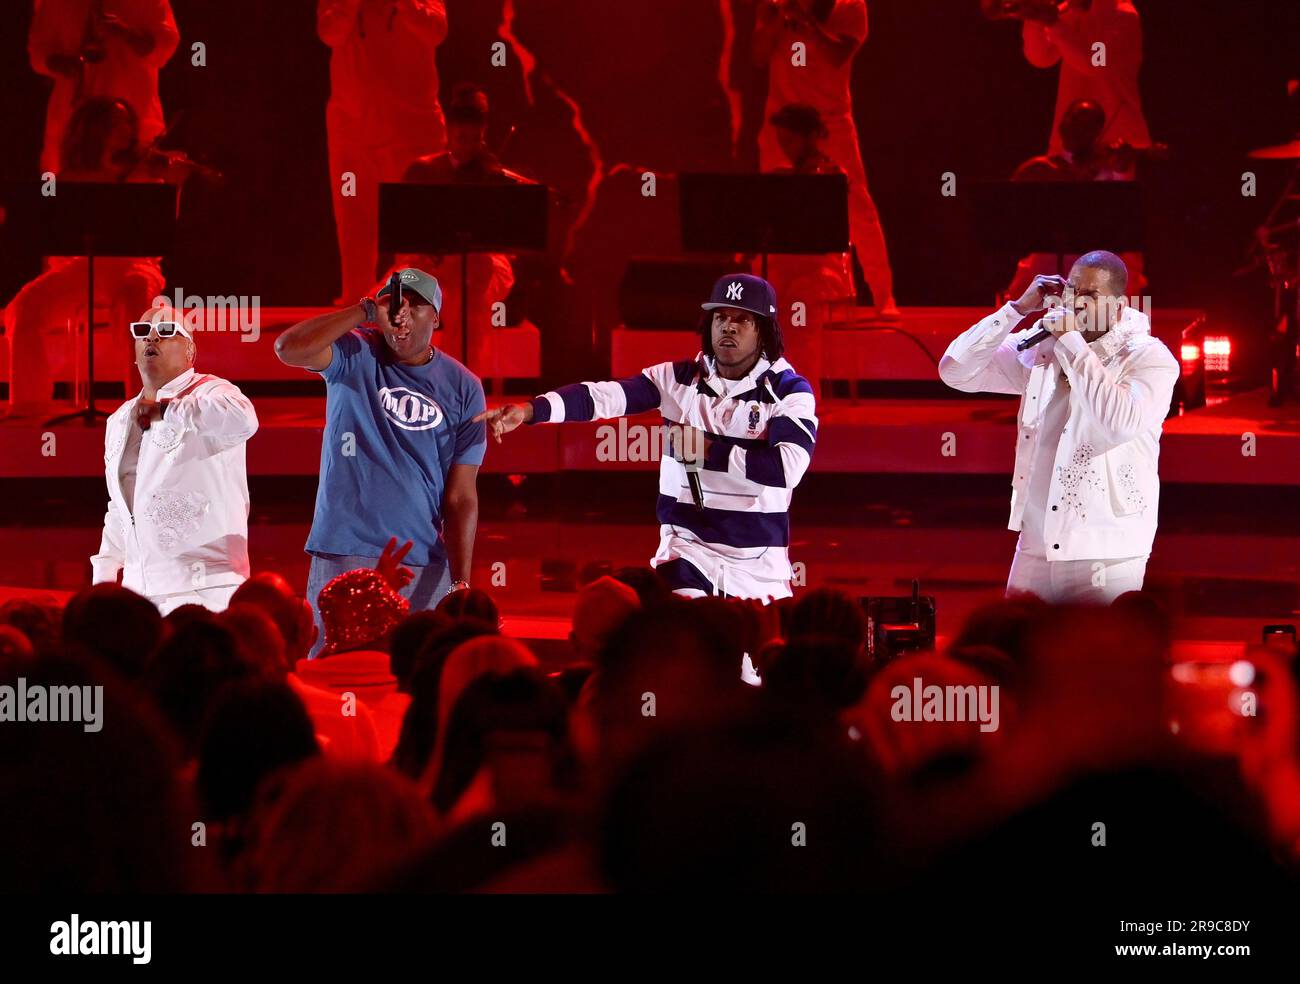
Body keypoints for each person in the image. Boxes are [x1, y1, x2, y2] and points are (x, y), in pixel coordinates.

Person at [477, 273, 816, 602]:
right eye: (720, 317)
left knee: (750, 661)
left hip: (761, 568)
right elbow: (602, 397)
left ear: (764, 331)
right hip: (687, 553)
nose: (728, 326)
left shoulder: (789, 391)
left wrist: (708, 450)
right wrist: (530, 410)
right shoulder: (676, 379)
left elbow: (788, 469)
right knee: (690, 636)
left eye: (742, 319)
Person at [938, 251, 1178, 603]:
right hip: (1037, 542)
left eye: (1090, 296)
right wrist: (1016, 310)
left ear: (1118, 304)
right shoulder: (1044, 347)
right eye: (1072, 290)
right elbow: (955, 370)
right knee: (1015, 649)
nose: (1077, 303)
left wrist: (1071, 343)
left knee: (1093, 657)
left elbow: (1118, 423)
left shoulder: (1147, 357)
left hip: (1105, 549)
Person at [274, 268, 485, 656]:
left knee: (420, 686)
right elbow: (289, 348)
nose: (401, 314)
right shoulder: (356, 351)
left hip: (422, 558)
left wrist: (460, 583)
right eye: (394, 303)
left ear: (436, 317)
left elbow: (461, 496)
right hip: (345, 549)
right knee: (337, 675)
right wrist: (364, 311)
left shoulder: (464, 386)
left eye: (415, 306)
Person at [91, 304, 259, 614]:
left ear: (190, 351)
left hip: (205, 585)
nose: (151, 338)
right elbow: (121, 507)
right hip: (139, 589)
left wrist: (167, 410)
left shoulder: (213, 391)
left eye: (166, 332)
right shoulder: (119, 419)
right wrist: (104, 575)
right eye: (142, 332)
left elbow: (244, 421)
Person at [3, 97, 165, 417]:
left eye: (127, 124)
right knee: (26, 306)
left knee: (133, 304)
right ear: (94, 129)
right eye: (116, 124)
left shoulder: (145, 170)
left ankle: (143, 403)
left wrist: (168, 182)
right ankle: (28, 403)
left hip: (134, 265)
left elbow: (157, 236)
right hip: (83, 265)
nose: (126, 131)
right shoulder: (71, 176)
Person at [753, 0, 896, 316]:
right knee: (771, 207)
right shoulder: (775, 4)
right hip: (782, 118)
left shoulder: (849, 7)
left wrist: (806, 20)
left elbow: (837, 56)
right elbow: (759, 56)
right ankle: (769, 298)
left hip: (828, 120)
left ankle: (883, 296)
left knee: (857, 208)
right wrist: (777, 20)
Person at [317, 0, 449, 302]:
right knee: (354, 221)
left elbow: (436, 30)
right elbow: (329, 33)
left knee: (414, 226)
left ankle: (414, 303)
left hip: (411, 127)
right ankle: (355, 302)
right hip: (353, 126)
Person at [395, 83, 516, 374]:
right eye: (459, 129)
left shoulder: (492, 173)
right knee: (387, 297)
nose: (465, 138)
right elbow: (406, 228)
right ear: (448, 130)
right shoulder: (422, 170)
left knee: (471, 301)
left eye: (473, 131)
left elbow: (502, 238)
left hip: (478, 264)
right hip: (430, 261)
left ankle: (459, 381)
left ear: (483, 134)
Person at [1005, 99, 1146, 300]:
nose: (1078, 128)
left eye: (1089, 124)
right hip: (1047, 260)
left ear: (1097, 131)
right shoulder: (1039, 169)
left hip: (1093, 264)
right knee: (1024, 294)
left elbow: (1123, 213)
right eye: (1074, 120)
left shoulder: (1108, 168)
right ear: (1063, 124)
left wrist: (1120, 171)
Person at [764, 102, 856, 400]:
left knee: (799, 307)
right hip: (791, 269)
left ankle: (803, 398)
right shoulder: (786, 176)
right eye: (781, 140)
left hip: (822, 271)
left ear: (810, 137)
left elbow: (827, 239)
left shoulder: (830, 176)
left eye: (789, 140)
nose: (784, 147)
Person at [28, 0, 179, 173]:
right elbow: (39, 49)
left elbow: (166, 45)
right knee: (67, 190)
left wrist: (126, 33)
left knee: (135, 190)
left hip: (131, 114)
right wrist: (61, 64)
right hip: (73, 117)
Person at [1019, 0, 1151, 156]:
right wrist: (1034, 21)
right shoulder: (1071, 11)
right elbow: (1040, 58)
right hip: (1070, 143)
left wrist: (1053, 23)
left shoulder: (1122, 16)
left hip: (1117, 143)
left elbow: (1096, 63)